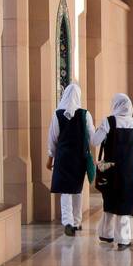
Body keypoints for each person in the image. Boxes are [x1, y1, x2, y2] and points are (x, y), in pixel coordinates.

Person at [91, 93, 133, 249]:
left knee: (110, 200)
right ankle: (123, 238)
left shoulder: (109, 121)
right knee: (125, 203)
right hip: (129, 170)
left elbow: (94, 141)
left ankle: (107, 233)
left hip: (111, 170)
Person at [46, 82, 92, 236]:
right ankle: (77, 221)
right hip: (79, 157)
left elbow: (53, 138)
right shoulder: (85, 114)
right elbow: (92, 136)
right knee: (77, 189)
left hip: (63, 157)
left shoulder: (58, 114)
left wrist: (50, 157)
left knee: (65, 190)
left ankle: (68, 222)